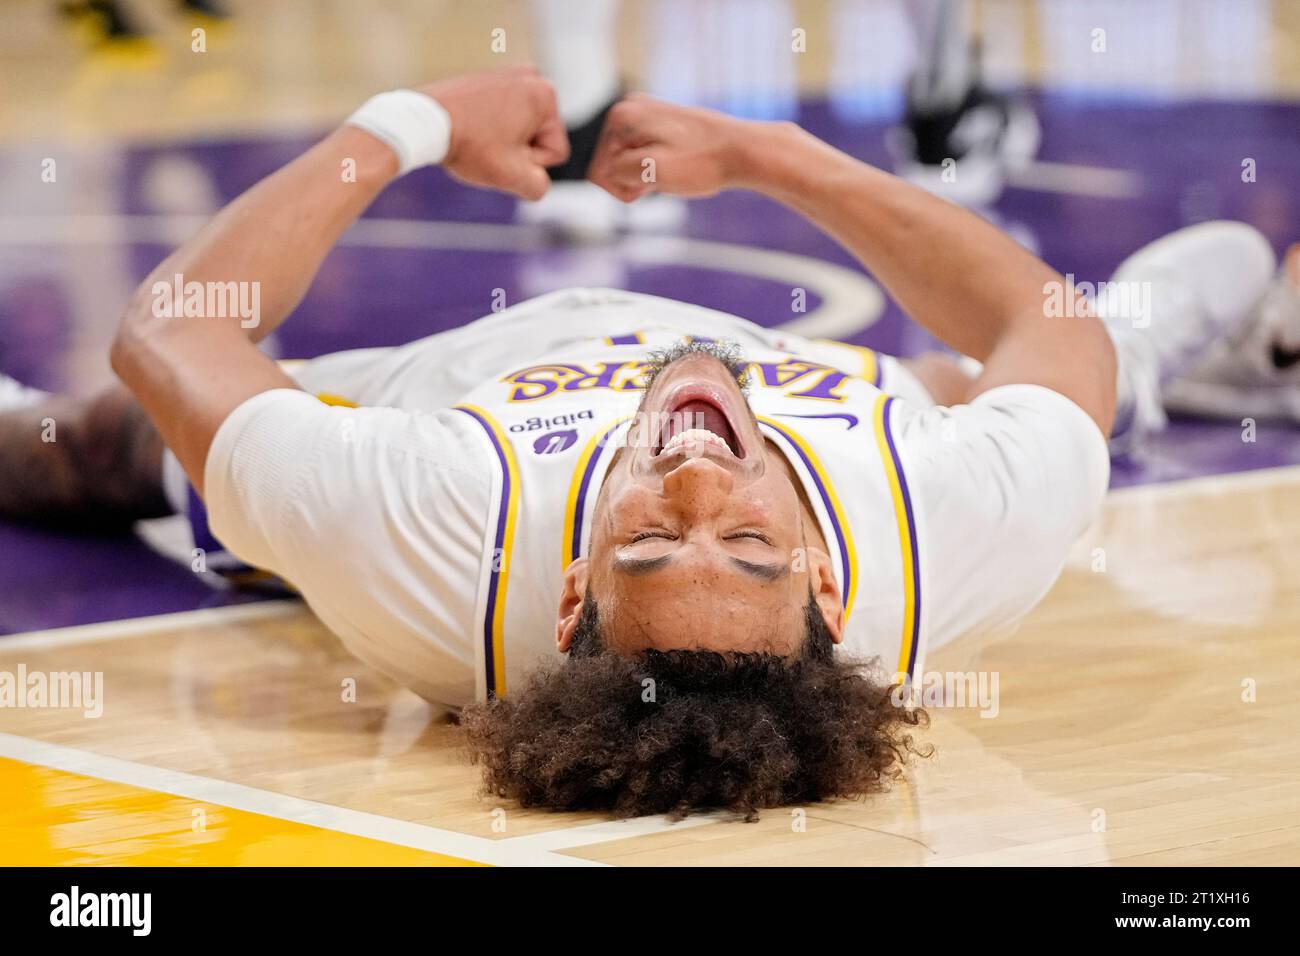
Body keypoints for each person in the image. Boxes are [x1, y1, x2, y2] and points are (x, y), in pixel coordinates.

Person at [0, 68, 1285, 818]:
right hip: (829, 384)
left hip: (427, 391)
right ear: (829, 582)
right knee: (1053, 372)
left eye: (656, 540)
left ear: (570, 596)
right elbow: (1037, 318)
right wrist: (770, 155)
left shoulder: (425, 528)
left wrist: (410, 124)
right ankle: (1157, 364)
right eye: (746, 537)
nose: (691, 473)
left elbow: (170, 325)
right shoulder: (951, 522)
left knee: (92, 449)